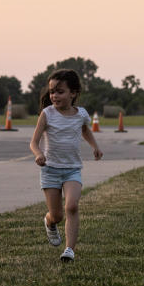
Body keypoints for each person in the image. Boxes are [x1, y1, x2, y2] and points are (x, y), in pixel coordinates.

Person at [29, 68, 103, 262]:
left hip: (72, 169)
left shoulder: (81, 114)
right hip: (50, 171)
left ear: (73, 93)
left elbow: (85, 130)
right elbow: (34, 142)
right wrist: (38, 154)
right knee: (57, 215)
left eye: (60, 91)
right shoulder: (47, 114)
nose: (54, 95)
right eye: (52, 91)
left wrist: (94, 146)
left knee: (72, 206)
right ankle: (49, 222)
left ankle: (69, 249)